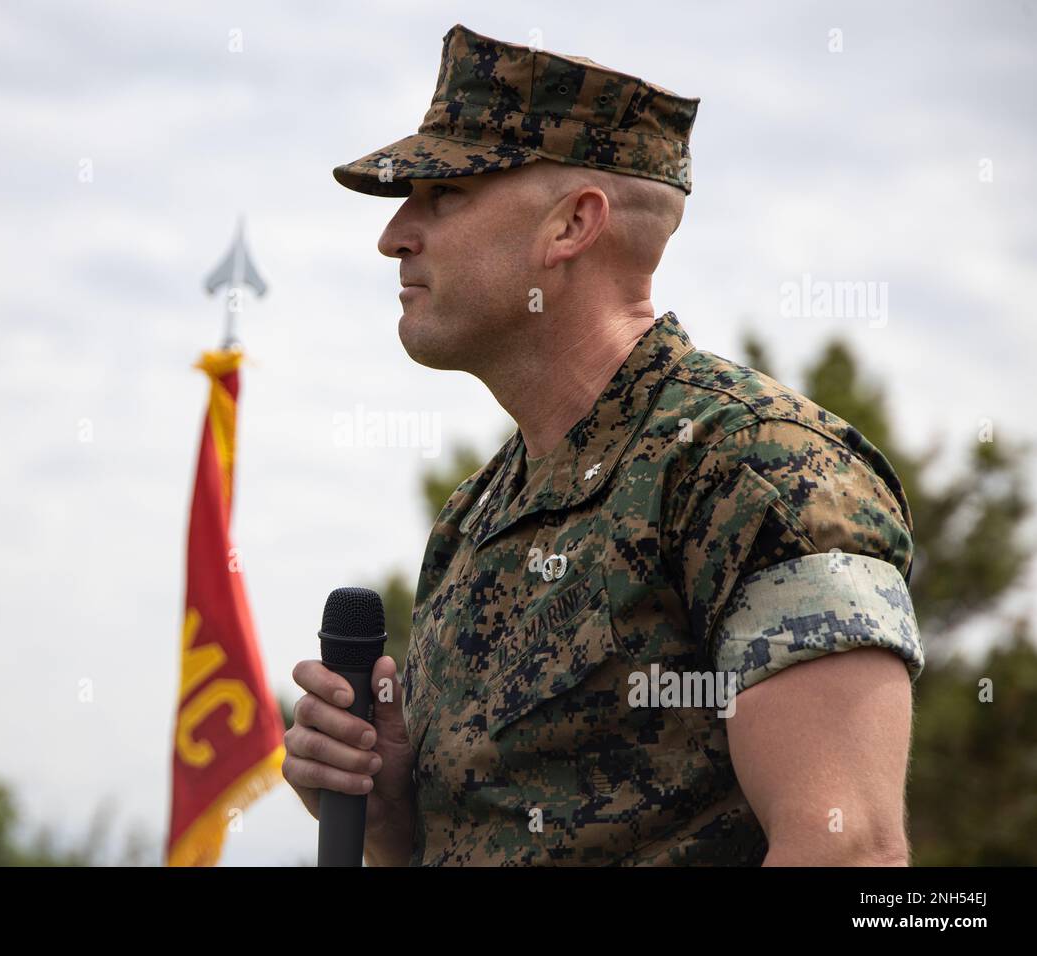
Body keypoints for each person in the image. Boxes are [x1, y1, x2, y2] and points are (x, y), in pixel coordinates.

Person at [283, 23, 924, 866]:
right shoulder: (474, 518)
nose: (395, 234)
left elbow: (849, 852)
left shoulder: (753, 468)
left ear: (571, 226)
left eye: (445, 195)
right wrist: (395, 824)